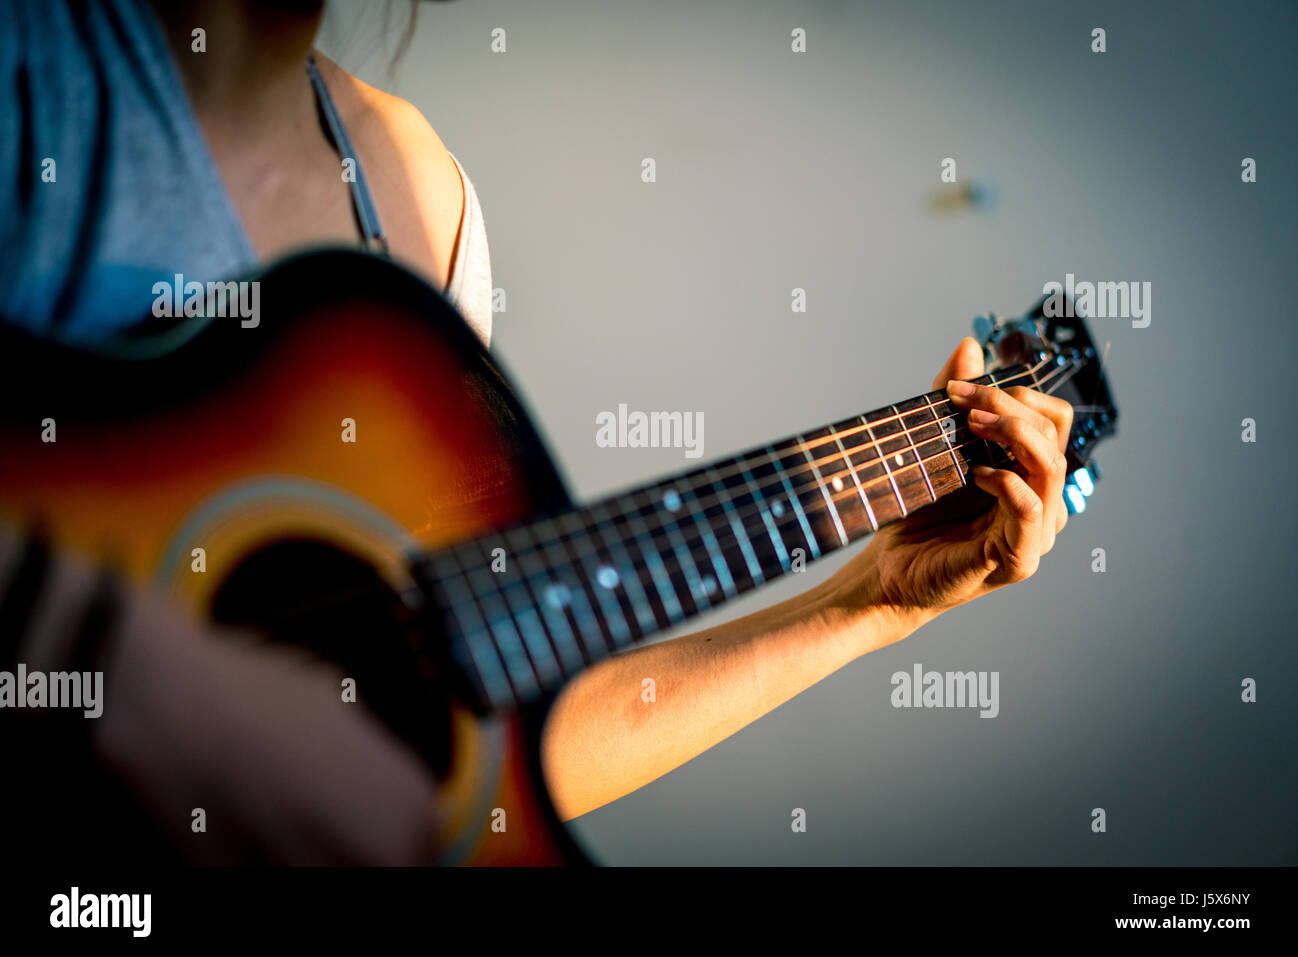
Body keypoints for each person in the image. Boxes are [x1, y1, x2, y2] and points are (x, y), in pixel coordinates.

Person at [0, 0, 1074, 860]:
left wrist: (869, 605)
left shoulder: (417, 197)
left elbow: (485, 764)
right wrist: (144, 678)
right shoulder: (32, 68)